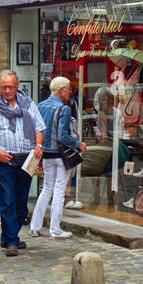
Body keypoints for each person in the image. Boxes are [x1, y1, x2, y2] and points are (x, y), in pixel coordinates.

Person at [0, 70, 44, 257]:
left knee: (21, 203)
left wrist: (39, 144)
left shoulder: (27, 104)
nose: (7, 90)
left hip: (26, 159)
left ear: (17, 86)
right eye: (3, 87)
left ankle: (8, 235)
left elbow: (39, 127)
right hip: (4, 161)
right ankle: (10, 241)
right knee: (7, 200)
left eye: (10, 87)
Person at [30, 76, 86, 239]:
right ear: (61, 91)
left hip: (46, 154)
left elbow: (37, 131)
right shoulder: (64, 108)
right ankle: (55, 228)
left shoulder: (40, 106)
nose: (70, 92)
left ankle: (35, 226)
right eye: (68, 89)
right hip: (61, 155)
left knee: (46, 189)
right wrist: (78, 144)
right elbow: (62, 136)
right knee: (59, 191)